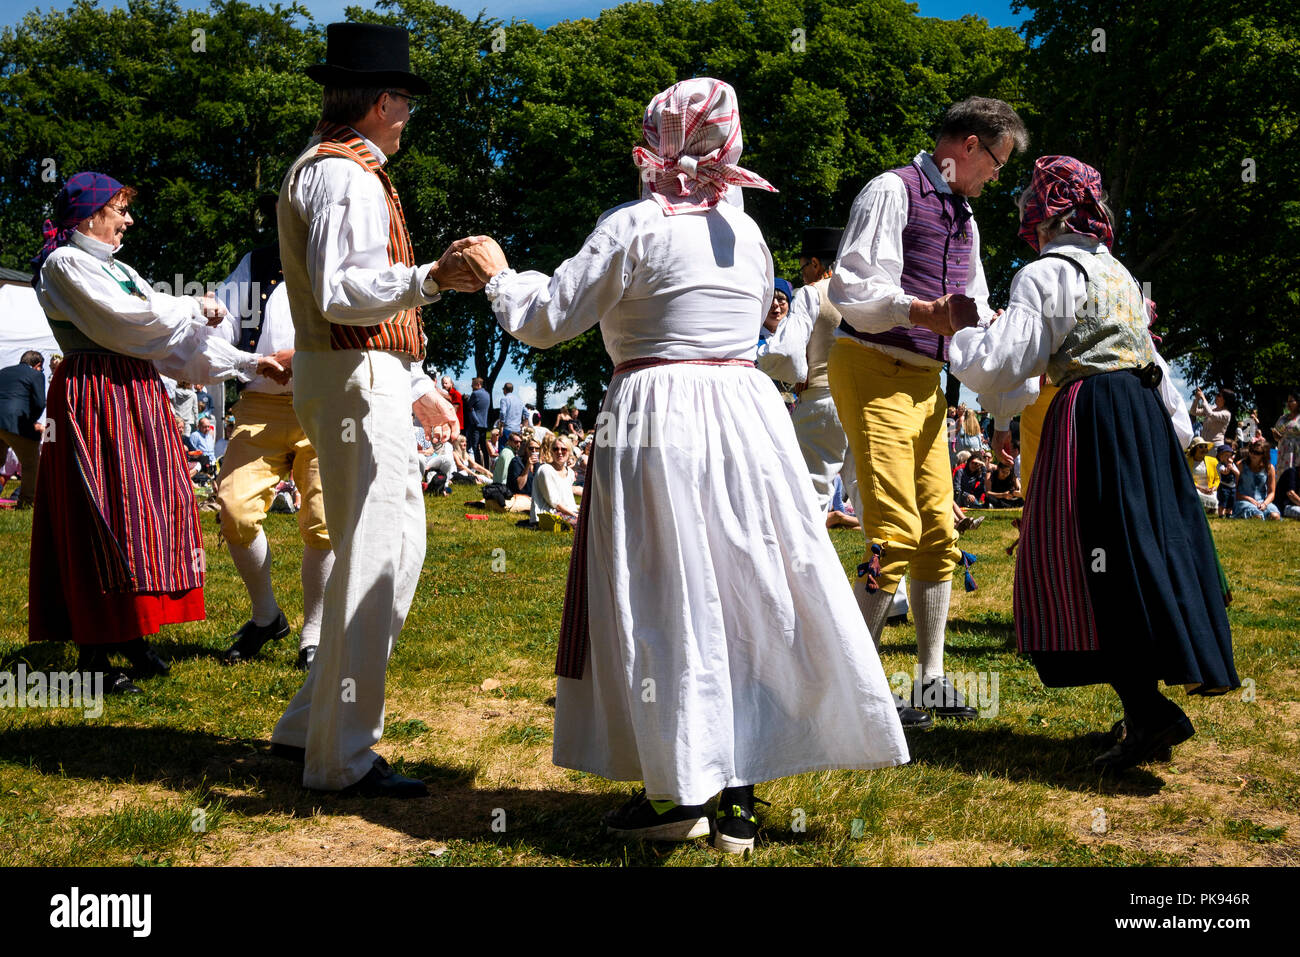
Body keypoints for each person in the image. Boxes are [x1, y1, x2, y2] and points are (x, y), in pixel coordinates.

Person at [464, 77, 908, 855]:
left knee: (666, 589)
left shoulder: (633, 225)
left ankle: (677, 789)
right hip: (743, 414)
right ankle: (734, 790)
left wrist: (499, 274)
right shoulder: (748, 234)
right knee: (743, 587)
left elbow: (547, 318)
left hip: (657, 412)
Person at [948, 154, 1238, 770]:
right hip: (1141, 416)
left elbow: (1009, 362)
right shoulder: (1120, 273)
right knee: (1139, 550)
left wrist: (963, 337)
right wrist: (1179, 433)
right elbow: (1151, 364)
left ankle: (1150, 712)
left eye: (1031, 194)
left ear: (1045, 208)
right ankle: (1145, 707)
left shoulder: (1045, 272)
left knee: (1088, 558)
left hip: (1091, 416)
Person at [267, 22, 481, 798]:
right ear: (382, 99)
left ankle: (308, 727)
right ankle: (340, 758)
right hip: (353, 375)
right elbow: (338, 289)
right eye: (405, 100)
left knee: (390, 552)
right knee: (378, 559)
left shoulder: (337, 168)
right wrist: (433, 276)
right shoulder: (345, 175)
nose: (408, 115)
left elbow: (342, 297)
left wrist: (416, 382)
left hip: (357, 372)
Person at [30, 171, 279, 693]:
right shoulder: (65, 264)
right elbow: (130, 322)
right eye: (120, 209)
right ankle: (93, 658)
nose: (128, 219)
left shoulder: (118, 268)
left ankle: (130, 633)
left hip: (134, 393)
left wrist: (247, 364)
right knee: (101, 515)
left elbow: (174, 348)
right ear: (92, 212)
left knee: (147, 510)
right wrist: (193, 304)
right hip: (94, 395)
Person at [828, 96, 1028, 727]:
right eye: (997, 161)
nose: (997, 176)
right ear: (968, 145)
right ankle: (851, 687)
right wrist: (921, 311)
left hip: (925, 384)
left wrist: (1022, 346)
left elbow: (976, 307)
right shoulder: (892, 190)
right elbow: (850, 287)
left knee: (941, 534)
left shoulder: (965, 221)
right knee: (894, 533)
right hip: (871, 367)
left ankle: (931, 682)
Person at [212, 216, 333, 671]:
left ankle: (315, 632)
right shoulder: (256, 263)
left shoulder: (345, 262)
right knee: (234, 509)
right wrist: (242, 353)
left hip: (324, 405)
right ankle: (267, 617)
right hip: (260, 405)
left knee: (324, 520)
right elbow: (221, 329)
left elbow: (363, 335)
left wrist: (298, 359)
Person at [755, 227, 856, 514]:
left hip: (822, 400)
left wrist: (796, 374)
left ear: (815, 263)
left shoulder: (811, 294)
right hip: (860, 400)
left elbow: (786, 350)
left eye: (802, 268)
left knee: (810, 490)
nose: (802, 275)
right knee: (865, 487)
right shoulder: (861, 294)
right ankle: (885, 554)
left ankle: (808, 559)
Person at [0, 351, 47, 508]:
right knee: (31, 463)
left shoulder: (4, 371)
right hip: (14, 422)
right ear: (38, 365)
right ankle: (26, 503)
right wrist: (30, 422)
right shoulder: (36, 375)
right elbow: (40, 403)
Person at [530, 434, 580, 529]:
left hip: (567, 513)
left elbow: (567, 501)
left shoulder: (570, 473)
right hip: (548, 516)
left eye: (563, 449)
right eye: (555, 449)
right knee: (584, 524)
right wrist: (575, 515)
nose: (559, 452)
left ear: (569, 452)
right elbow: (554, 502)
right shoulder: (545, 470)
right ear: (551, 452)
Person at [1233, 439, 1280, 519]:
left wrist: (1265, 503)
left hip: (1262, 501)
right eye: (1251, 451)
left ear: (1264, 455)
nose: (1252, 454)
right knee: (1257, 515)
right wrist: (1248, 498)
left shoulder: (1269, 468)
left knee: (1275, 516)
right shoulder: (1240, 465)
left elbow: (1272, 493)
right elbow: (1233, 490)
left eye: (1257, 453)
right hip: (1244, 500)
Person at [1185, 437, 1219, 512]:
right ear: (1194, 449)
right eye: (1200, 447)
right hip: (1195, 488)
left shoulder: (1213, 461)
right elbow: (1186, 479)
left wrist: (1213, 488)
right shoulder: (1186, 461)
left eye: (1205, 446)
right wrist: (1200, 488)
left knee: (1218, 497)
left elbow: (1218, 478)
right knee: (1195, 495)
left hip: (1210, 489)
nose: (1204, 449)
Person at [465, 376, 492, 464]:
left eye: (473, 385)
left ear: (478, 384)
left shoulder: (475, 394)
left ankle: (478, 467)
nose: (471, 387)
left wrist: (475, 419)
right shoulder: (487, 394)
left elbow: (470, 407)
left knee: (475, 447)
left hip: (476, 424)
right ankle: (487, 466)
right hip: (485, 425)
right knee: (484, 448)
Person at [1272, 392, 1300, 472]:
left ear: (1298, 402)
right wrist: (1277, 436)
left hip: (1297, 455)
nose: (1288, 403)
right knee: (1284, 478)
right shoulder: (1283, 418)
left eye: (1291, 401)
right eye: (1287, 401)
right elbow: (1277, 438)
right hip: (1283, 455)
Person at [1215, 443, 1239, 516]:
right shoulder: (1220, 465)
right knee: (1223, 501)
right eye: (1226, 456)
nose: (1228, 458)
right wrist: (1229, 467)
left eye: (1230, 455)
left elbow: (1238, 473)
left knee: (1231, 501)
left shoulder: (1232, 464)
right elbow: (1225, 472)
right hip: (1224, 487)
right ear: (1220, 457)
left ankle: (1229, 513)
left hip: (1232, 486)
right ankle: (1221, 514)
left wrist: (1232, 468)